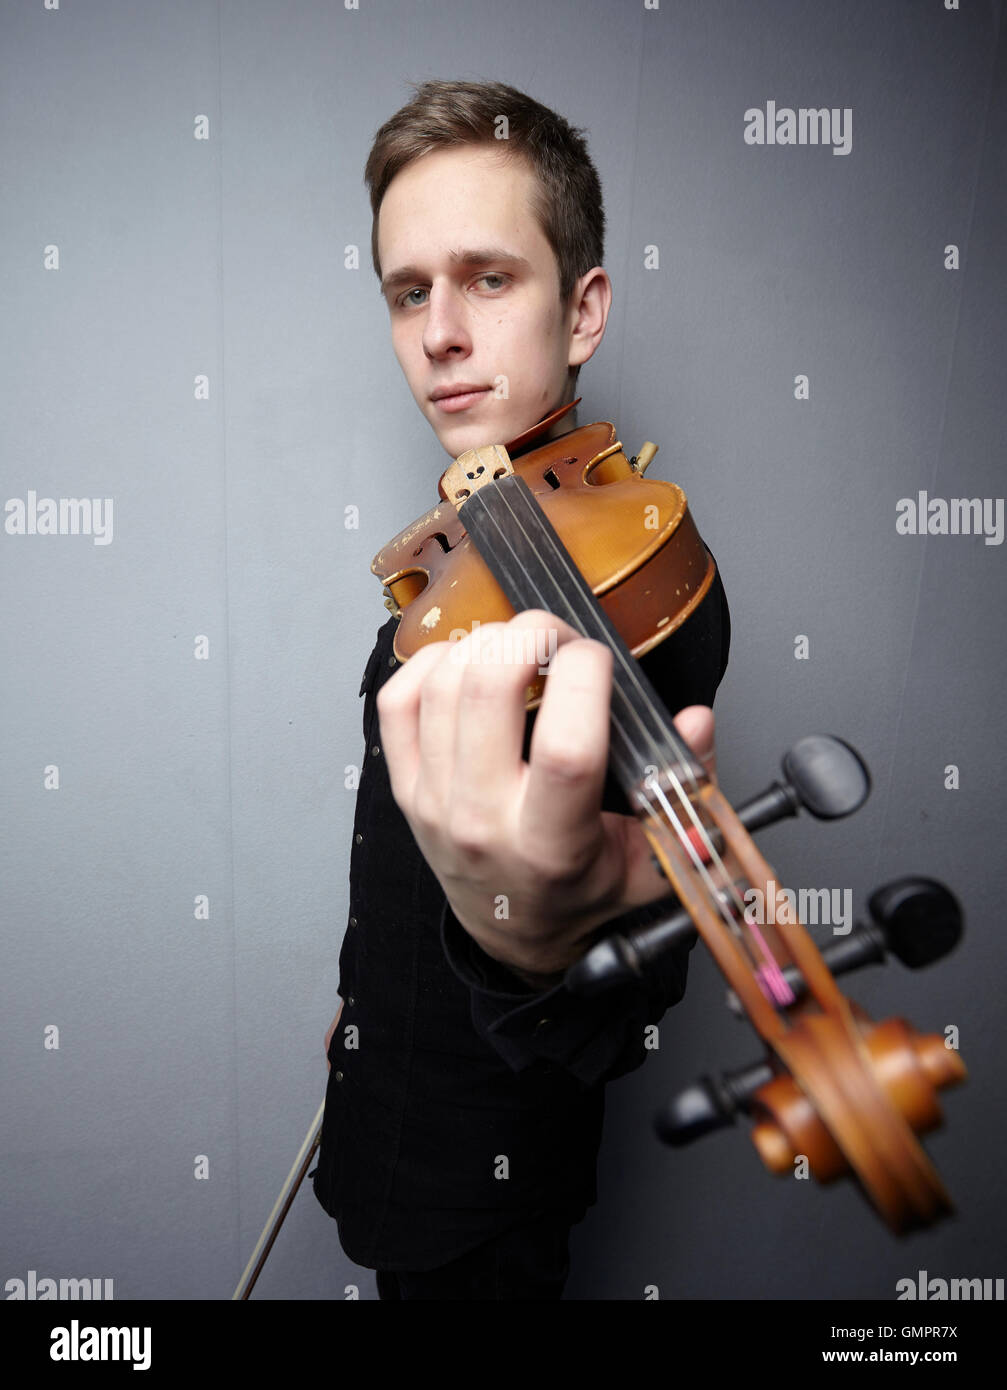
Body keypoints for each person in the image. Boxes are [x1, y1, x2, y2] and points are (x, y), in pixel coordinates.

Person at [310, 78, 731, 1301]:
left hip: (479, 1193)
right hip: (376, 1105)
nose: (439, 333)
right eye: (408, 292)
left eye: (487, 278)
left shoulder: (639, 583)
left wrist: (532, 953)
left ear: (580, 310)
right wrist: (362, 1000)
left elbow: (634, 974)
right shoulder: (474, 548)